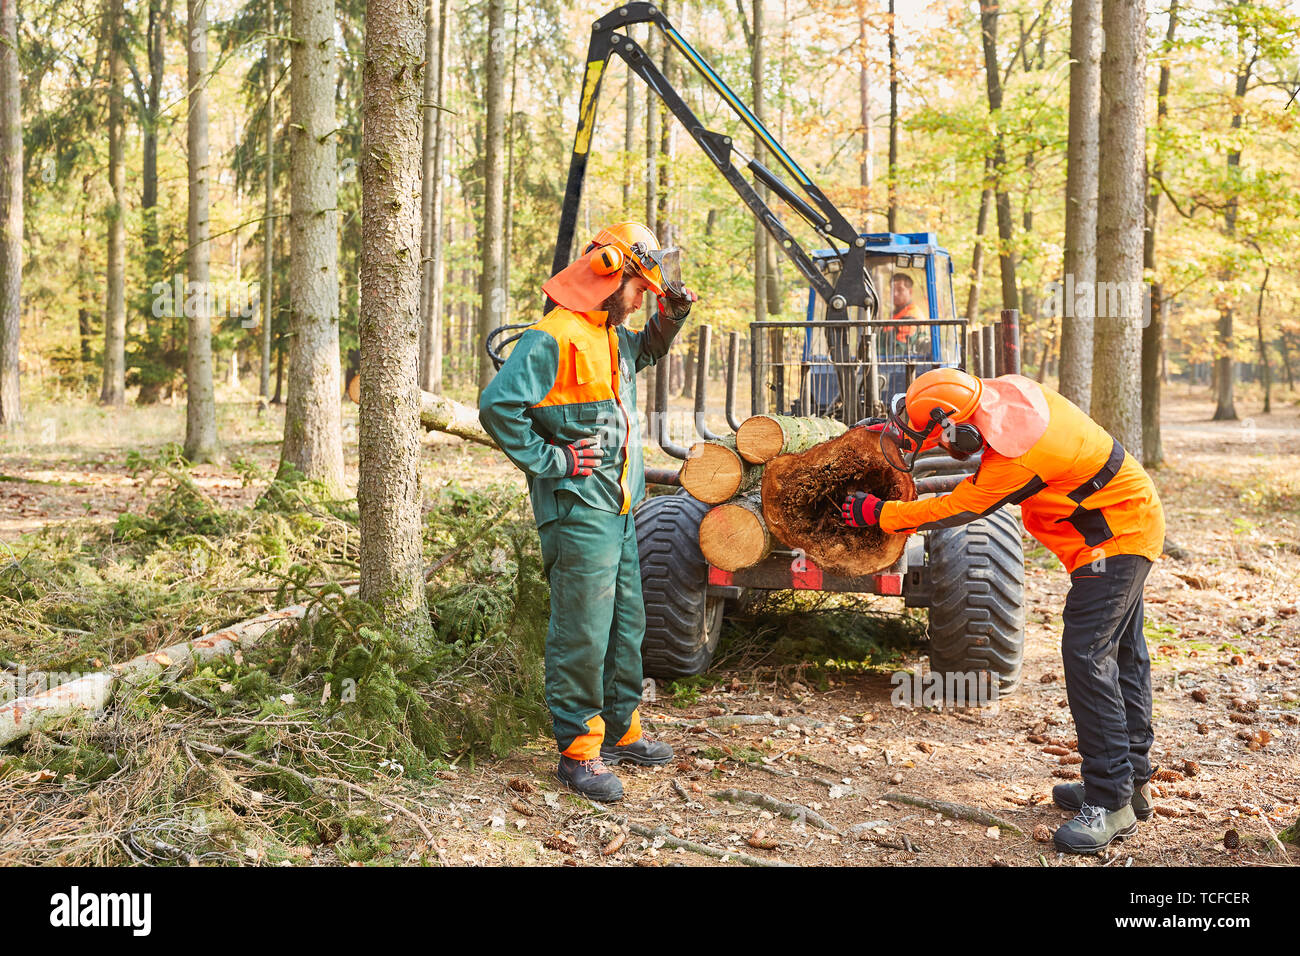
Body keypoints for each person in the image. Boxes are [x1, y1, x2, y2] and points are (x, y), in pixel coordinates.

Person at [841, 368, 1165, 853]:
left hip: (1115, 542)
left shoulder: (1019, 458)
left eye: (936, 433)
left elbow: (957, 508)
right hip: (1126, 522)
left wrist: (881, 514)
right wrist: (899, 436)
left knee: (1087, 656)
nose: (935, 440)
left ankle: (1110, 800)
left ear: (962, 426)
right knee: (1121, 654)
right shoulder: (1004, 397)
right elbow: (956, 429)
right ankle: (1131, 783)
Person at [479, 221, 696, 802]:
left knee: (627, 627)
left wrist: (671, 315)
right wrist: (552, 459)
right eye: (640, 289)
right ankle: (578, 753)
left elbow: (646, 350)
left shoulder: (606, 333)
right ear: (609, 274)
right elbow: (498, 407)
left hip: (621, 506)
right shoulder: (552, 337)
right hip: (579, 511)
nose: (643, 299)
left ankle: (622, 730)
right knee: (583, 631)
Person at [888, 273, 919, 343]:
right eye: (892, 290)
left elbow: (901, 348)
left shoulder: (911, 316)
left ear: (910, 292)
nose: (895, 294)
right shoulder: (898, 313)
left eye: (900, 290)